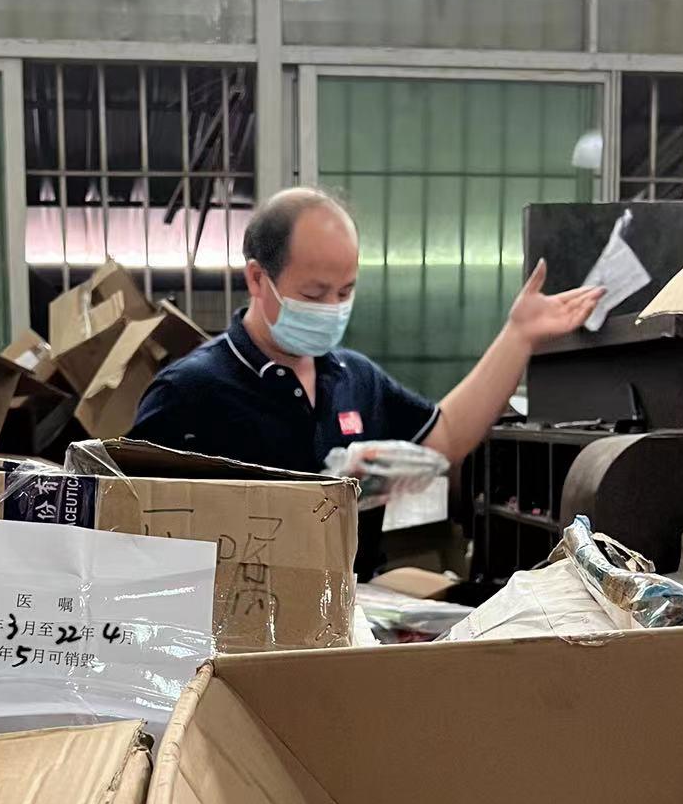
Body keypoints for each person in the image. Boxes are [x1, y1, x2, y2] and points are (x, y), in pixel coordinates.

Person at [130, 187, 602, 570]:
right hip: (236, 626)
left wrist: (519, 336)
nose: (333, 308)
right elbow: (134, 528)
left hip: (345, 615)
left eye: (346, 291)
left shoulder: (354, 377)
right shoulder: (189, 393)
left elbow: (447, 436)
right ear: (257, 279)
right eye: (314, 293)